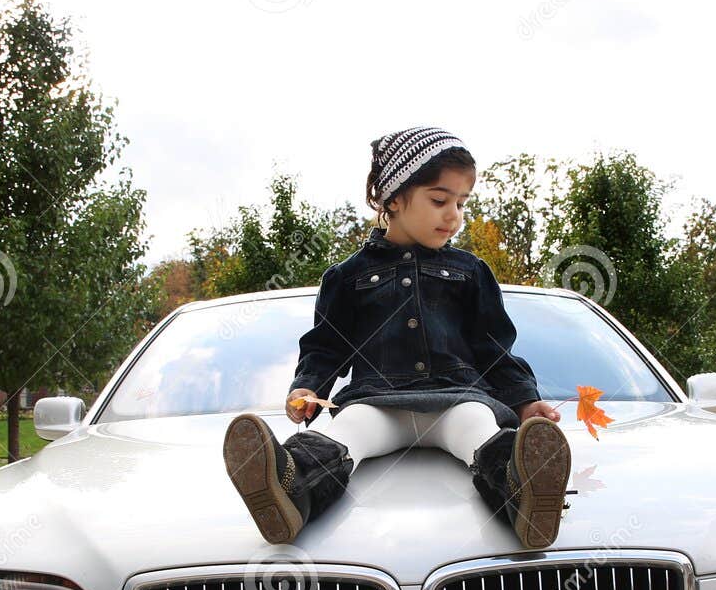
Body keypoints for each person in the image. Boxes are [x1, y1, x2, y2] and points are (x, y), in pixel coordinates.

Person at [222, 126, 571, 548]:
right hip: (376, 403)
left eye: (462, 203)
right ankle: (287, 491)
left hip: (456, 399)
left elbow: (493, 346)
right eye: (440, 200)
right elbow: (326, 345)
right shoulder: (347, 277)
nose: (454, 214)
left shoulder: (470, 272)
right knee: (343, 434)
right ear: (393, 198)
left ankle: (527, 493)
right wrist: (308, 387)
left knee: (483, 434)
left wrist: (523, 399)